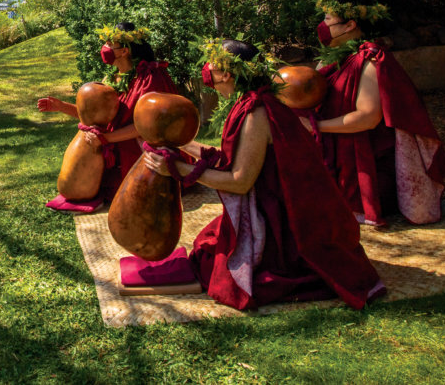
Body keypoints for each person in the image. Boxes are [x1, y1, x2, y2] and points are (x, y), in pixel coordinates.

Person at [143, 39, 385, 310]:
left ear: (225, 73)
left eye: (210, 65)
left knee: (217, 265)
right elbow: (231, 156)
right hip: (275, 204)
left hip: (284, 220)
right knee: (207, 247)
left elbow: (240, 181)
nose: (206, 71)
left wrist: (177, 169)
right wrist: (179, 144)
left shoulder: (256, 112)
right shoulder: (251, 102)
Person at [308, 0, 445, 225]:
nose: (322, 26)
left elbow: (367, 118)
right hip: (336, 153)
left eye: (327, 19)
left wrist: (316, 126)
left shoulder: (370, 59)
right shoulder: (336, 58)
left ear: (351, 25)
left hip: (366, 160)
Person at [38, 23, 178, 210]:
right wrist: (61, 107)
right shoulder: (111, 78)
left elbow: (148, 126)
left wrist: (105, 139)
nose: (105, 48)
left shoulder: (150, 78)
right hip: (110, 145)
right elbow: (94, 117)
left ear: (125, 51)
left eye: (110, 44)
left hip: (140, 149)